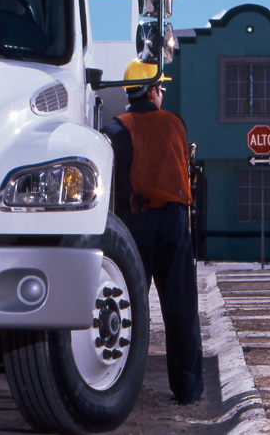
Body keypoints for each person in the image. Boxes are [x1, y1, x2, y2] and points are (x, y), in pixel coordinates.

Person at [102, 60, 204, 405]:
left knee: (127, 307)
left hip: (135, 223)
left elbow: (114, 186)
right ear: (153, 90)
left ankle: (117, 385)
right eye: (161, 88)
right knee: (181, 308)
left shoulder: (115, 129)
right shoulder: (176, 124)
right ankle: (188, 389)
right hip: (174, 222)